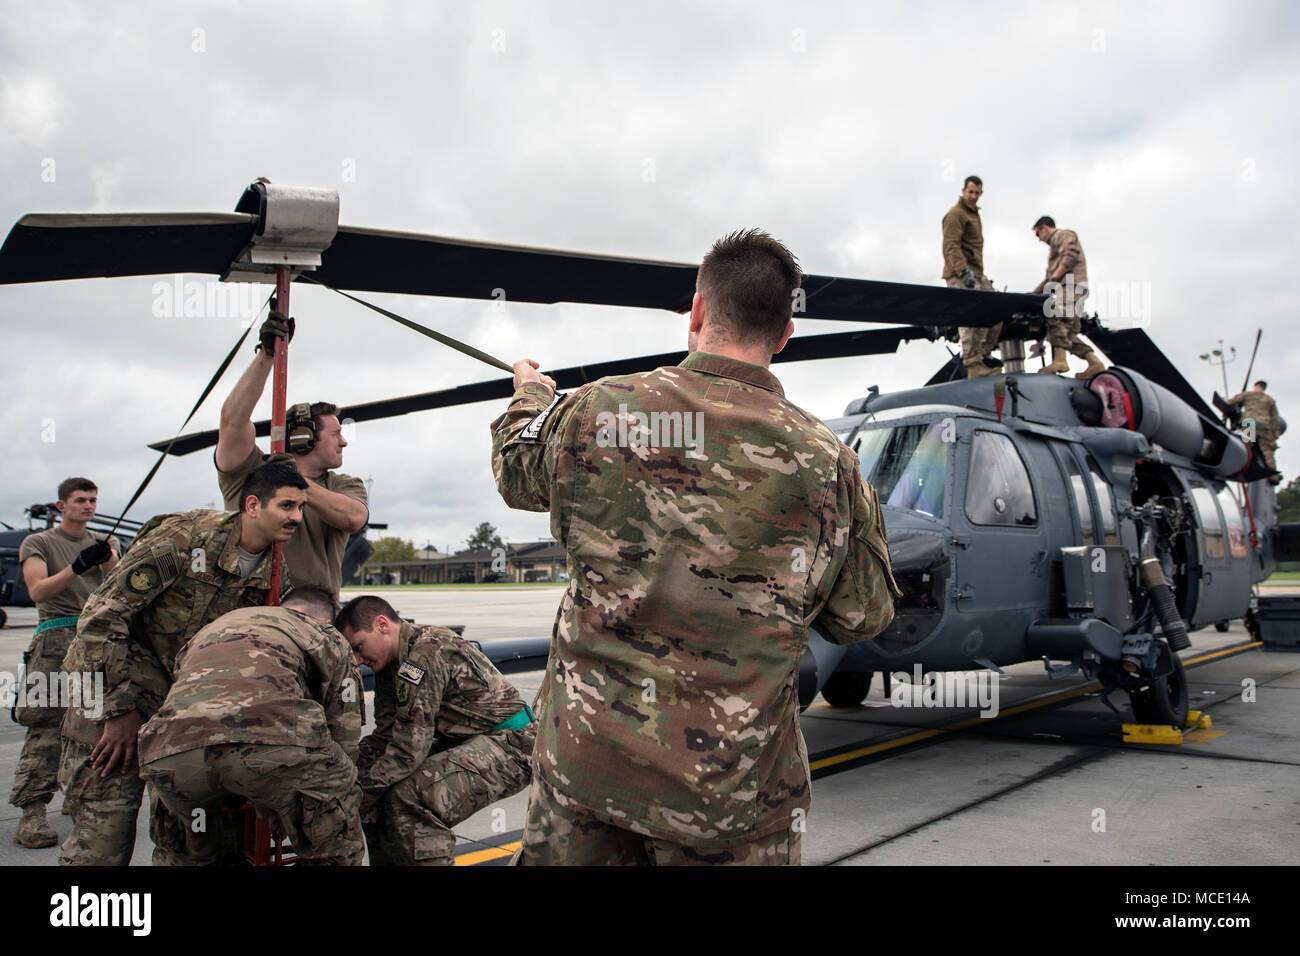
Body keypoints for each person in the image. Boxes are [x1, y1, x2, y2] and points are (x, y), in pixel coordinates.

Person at [491, 228, 899, 866]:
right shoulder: (830, 463)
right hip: (729, 797)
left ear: (699, 311)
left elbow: (516, 474)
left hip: (585, 772)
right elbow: (861, 617)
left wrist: (530, 396)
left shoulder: (600, 410)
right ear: (785, 335)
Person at [57, 461, 308, 866]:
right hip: (110, 695)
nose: (296, 517)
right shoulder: (186, 538)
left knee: (190, 845)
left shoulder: (275, 573)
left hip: (178, 714)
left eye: (301, 507)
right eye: (287, 506)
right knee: (102, 844)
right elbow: (100, 619)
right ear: (253, 505)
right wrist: (118, 712)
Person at [137, 588, 365, 865]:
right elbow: (344, 731)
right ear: (327, 622)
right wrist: (298, 799)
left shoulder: (212, 629)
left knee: (187, 853)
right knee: (338, 833)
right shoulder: (324, 635)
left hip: (171, 757)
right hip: (270, 752)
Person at [335, 596, 535, 866]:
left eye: (359, 647)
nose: (358, 660)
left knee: (412, 796)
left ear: (382, 624)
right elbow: (386, 734)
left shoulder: (424, 654)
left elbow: (408, 750)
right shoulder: (390, 663)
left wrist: (359, 792)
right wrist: (347, 770)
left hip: (511, 744)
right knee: (377, 796)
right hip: (465, 741)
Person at [215, 311, 369, 603]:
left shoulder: (344, 485)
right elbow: (233, 420)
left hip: (313, 624)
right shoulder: (251, 474)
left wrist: (293, 482)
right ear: (304, 437)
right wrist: (267, 356)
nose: (345, 442)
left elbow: (353, 517)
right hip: (248, 621)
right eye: (336, 434)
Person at [10, 478, 119, 848]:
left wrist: (110, 561)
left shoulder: (105, 543)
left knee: (93, 728)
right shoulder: (39, 543)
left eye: (92, 500)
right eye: (80, 500)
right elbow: (37, 590)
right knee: (45, 727)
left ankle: (80, 799)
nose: (88, 506)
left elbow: (117, 587)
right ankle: (32, 812)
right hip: (55, 640)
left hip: (95, 639)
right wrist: (76, 567)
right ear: (62, 506)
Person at [942, 175, 1002, 378]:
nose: (973, 196)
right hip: (960, 273)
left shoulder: (973, 214)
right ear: (963, 191)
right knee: (969, 316)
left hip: (977, 272)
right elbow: (950, 245)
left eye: (977, 193)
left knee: (996, 313)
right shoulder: (956, 214)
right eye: (970, 192)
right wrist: (962, 271)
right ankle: (972, 362)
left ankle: (981, 357)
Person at [1030, 216, 1105, 378]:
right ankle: (1094, 362)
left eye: (1037, 235)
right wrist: (1033, 294)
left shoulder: (1063, 235)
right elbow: (1048, 279)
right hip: (1069, 288)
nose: (1039, 239)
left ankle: (1060, 360)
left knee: (1056, 317)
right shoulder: (1054, 250)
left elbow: (1070, 256)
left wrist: (1055, 279)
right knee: (1067, 333)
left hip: (1071, 287)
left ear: (1044, 228)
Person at [1228, 380, 1282, 479]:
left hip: (1249, 423)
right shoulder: (1270, 400)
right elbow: (1275, 418)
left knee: (1246, 449)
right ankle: (1273, 477)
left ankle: (1239, 469)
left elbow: (1230, 402)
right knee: (1268, 452)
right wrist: (1275, 434)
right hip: (1264, 426)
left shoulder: (1248, 395)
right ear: (1264, 388)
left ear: (1255, 386)